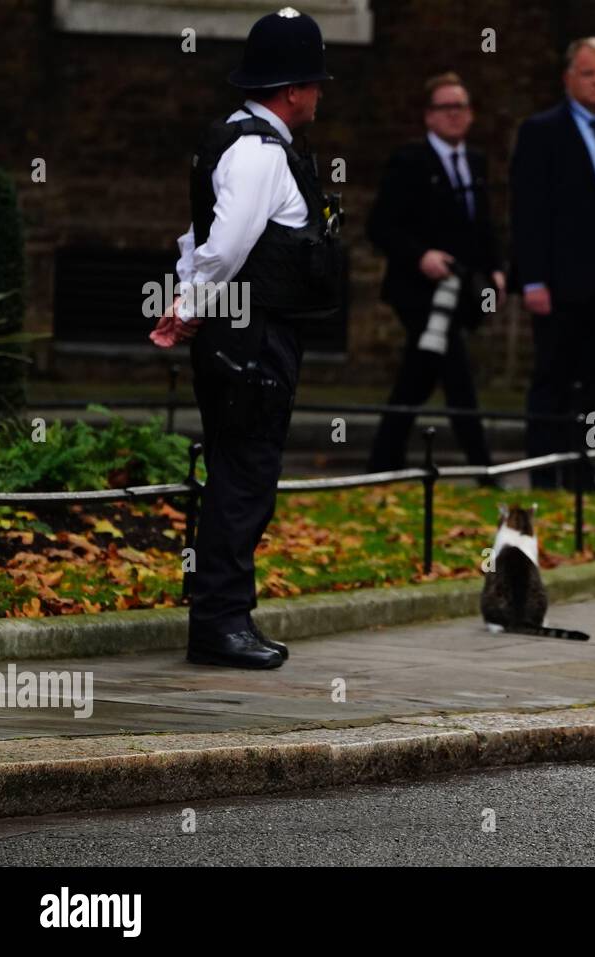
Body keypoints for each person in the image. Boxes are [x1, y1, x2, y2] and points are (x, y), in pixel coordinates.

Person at [149, 7, 341, 669]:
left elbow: (194, 240)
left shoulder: (229, 139)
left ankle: (227, 617)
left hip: (243, 334)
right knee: (244, 478)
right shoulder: (261, 152)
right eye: (314, 82)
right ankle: (220, 624)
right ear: (291, 90)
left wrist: (187, 297)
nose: (319, 93)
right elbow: (224, 246)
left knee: (239, 473)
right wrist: (190, 306)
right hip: (253, 339)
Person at [510, 36, 595, 492]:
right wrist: (532, 279)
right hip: (559, 279)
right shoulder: (542, 131)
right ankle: (546, 475)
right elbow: (528, 210)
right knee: (553, 378)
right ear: (569, 79)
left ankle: (582, 473)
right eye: (587, 73)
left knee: (591, 382)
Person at [365, 71, 505, 478]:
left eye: (460, 107)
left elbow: (483, 226)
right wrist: (421, 255)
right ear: (429, 116)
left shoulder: (475, 162)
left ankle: (382, 463)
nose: (454, 115)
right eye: (446, 108)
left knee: (418, 377)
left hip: (459, 291)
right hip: (419, 292)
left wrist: (495, 269)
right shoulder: (409, 161)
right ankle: (483, 469)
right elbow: (381, 226)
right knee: (456, 374)